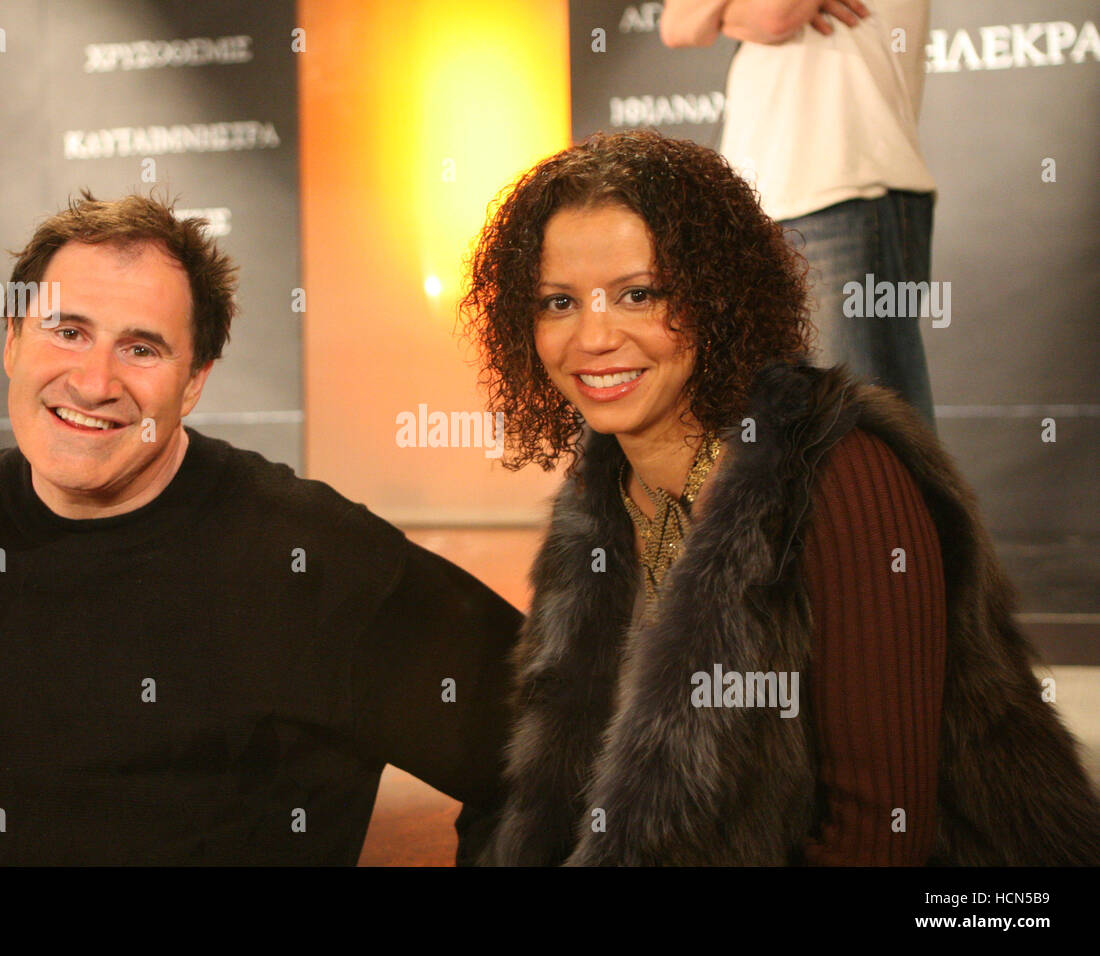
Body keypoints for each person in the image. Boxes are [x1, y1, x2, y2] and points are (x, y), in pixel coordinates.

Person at [0, 191, 521, 865]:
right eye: (67, 331)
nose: (93, 381)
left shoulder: (320, 559)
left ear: (195, 380)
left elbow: (553, 753)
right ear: (13, 340)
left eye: (142, 348)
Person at [460, 130, 1100, 865]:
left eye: (640, 294)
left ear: (716, 297)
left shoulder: (840, 478)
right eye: (557, 302)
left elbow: (876, 838)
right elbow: (560, 792)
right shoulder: (596, 498)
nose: (594, 336)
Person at [660, 0, 939, 429]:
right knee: (780, 440)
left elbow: (776, 15)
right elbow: (678, 25)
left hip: (848, 189)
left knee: (866, 435)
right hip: (758, 204)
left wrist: (725, 14)